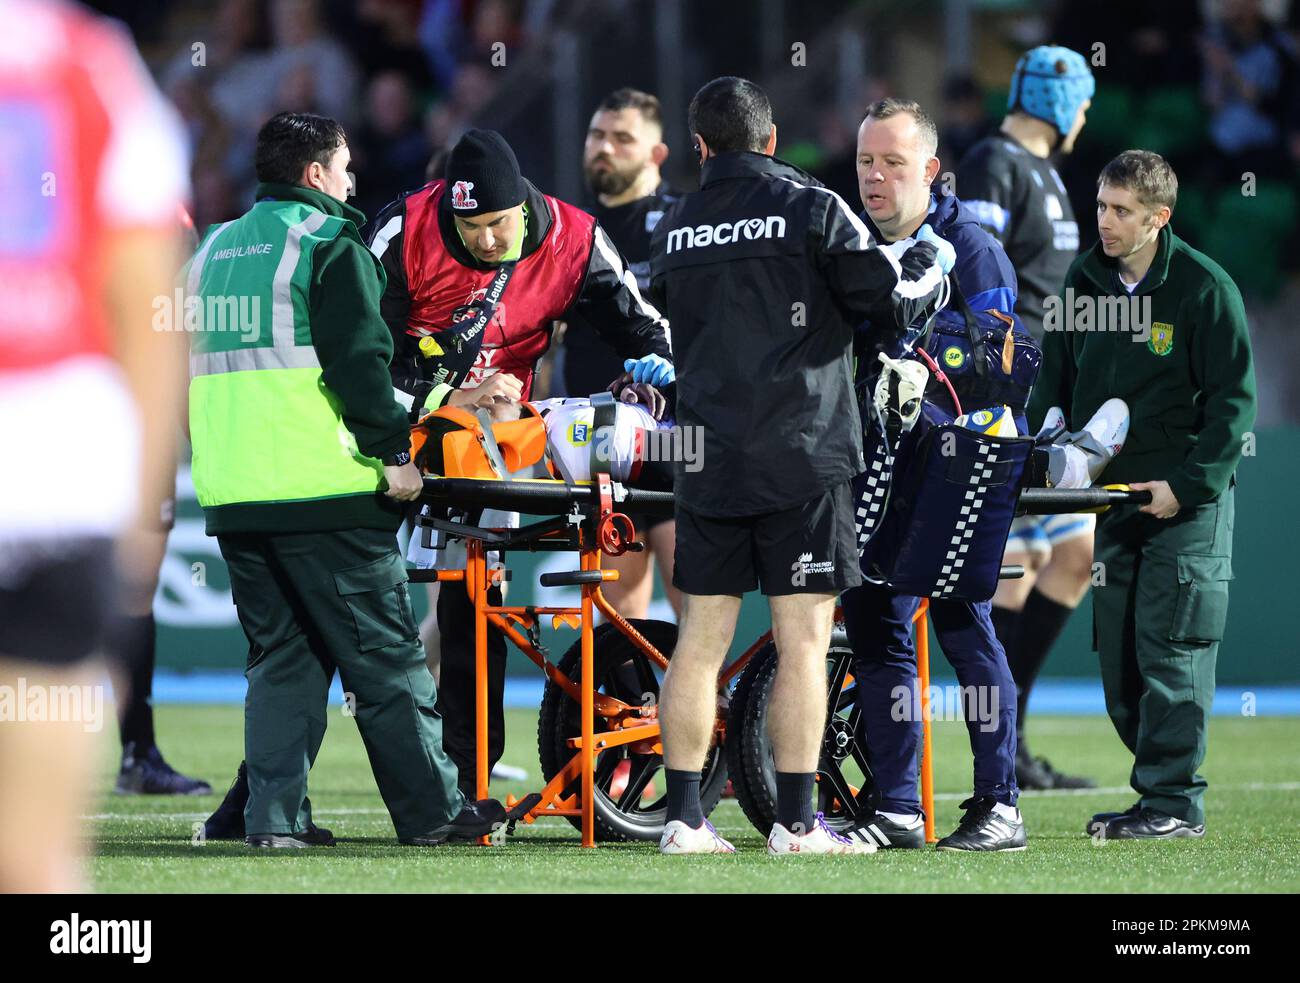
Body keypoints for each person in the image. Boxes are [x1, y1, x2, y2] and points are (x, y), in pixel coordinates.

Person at [648, 77, 951, 857]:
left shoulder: (674, 224)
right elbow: (893, 296)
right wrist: (932, 259)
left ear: (700, 147)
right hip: (802, 456)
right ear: (773, 139)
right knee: (804, 641)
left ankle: (683, 819)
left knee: (700, 641)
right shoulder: (811, 206)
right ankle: (794, 822)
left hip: (705, 457)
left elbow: (660, 329)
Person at [188, 111, 499, 847]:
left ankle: (274, 822)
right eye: (347, 168)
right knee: (388, 659)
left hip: (234, 494)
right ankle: (437, 814)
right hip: (325, 493)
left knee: (281, 663)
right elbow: (360, 364)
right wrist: (395, 453)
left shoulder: (210, 253)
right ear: (316, 174)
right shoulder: (328, 244)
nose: (354, 181)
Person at [367, 127, 672, 798]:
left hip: (506, 442)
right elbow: (360, 360)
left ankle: (657, 718)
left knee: (481, 590)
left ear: (523, 208)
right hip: (407, 440)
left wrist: (650, 376)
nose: (485, 240)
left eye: (497, 224)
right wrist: (452, 396)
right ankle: (465, 783)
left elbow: (647, 330)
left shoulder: (574, 238)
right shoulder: (403, 229)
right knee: (455, 597)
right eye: (469, 226)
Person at [0, 0, 189, 890]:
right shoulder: (89, 62)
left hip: (47, 482)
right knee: (36, 861)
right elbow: (149, 323)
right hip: (46, 482)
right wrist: (122, 557)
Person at [1029, 151, 1256, 839]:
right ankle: (1155, 794)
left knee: (1171, 650)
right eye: (1100, 205)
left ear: (1160, 218)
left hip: (1184, 505)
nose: (1105, 220)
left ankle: (1173, 803)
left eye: (1122, 210)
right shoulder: (1085, 277)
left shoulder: (1203, 288)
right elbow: (1055, 375)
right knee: (1123, 662)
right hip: (1116, 501)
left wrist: (1186, 486)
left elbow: (1233, 406)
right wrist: (1045, 439)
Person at [840, 99, 1028, 852]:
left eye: (891, 162)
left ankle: (1000, 804)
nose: (875, 177)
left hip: (958, 463)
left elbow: (1002, 366)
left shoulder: (972, 248)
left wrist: (922, 367)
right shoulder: (849, 242)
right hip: (872, 459)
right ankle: (898, 809)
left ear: (931, 171)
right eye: (864, 162)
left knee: (961, 623)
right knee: (878, 629)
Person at [958, 45, 1098, 789]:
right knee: (1015, 575)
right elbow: (980, 282)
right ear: (1057, 99)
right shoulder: (993, 162)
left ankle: (1015, 736)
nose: (1084, 116)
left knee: (1072, 556)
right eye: (1081, 100)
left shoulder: (1043, 170)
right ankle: (1000, 752)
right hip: (1004, 403)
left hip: (1042, 400)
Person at [565, 87, 682, 621]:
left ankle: (713, 707)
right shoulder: (571, 233)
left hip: (677, 438)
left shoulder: (685, 225)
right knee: (618, 615)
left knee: (696, 602)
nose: (604, 148)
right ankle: (630, 705)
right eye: (596, 135)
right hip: (600, 442)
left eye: (622, 138)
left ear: (657, 154)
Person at [110, 205, 212, 798]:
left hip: (133, 440)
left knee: (133, 595)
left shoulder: (164, 214)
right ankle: (136, 753)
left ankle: (137, 752)